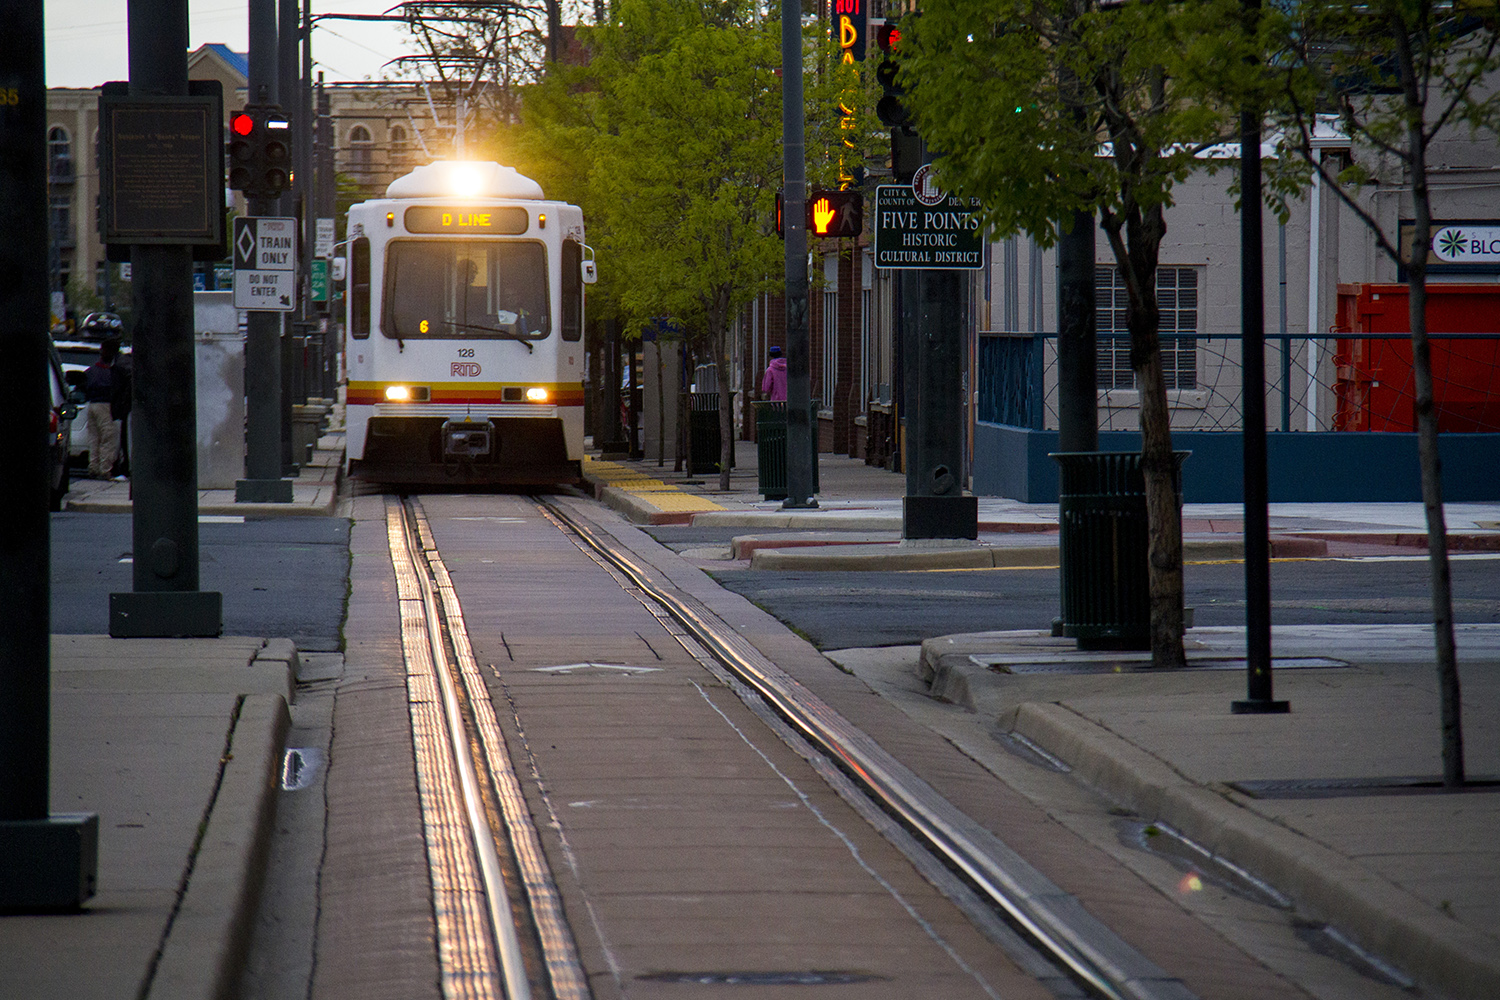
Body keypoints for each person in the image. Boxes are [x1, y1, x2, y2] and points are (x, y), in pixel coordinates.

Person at [83, 339, 122, 479]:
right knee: (108, 438)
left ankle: (93, 467)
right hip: (106, 406)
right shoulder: (111, 371)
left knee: (94, 439)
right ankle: (105, 470)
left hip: (92, 405)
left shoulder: (92, 370)